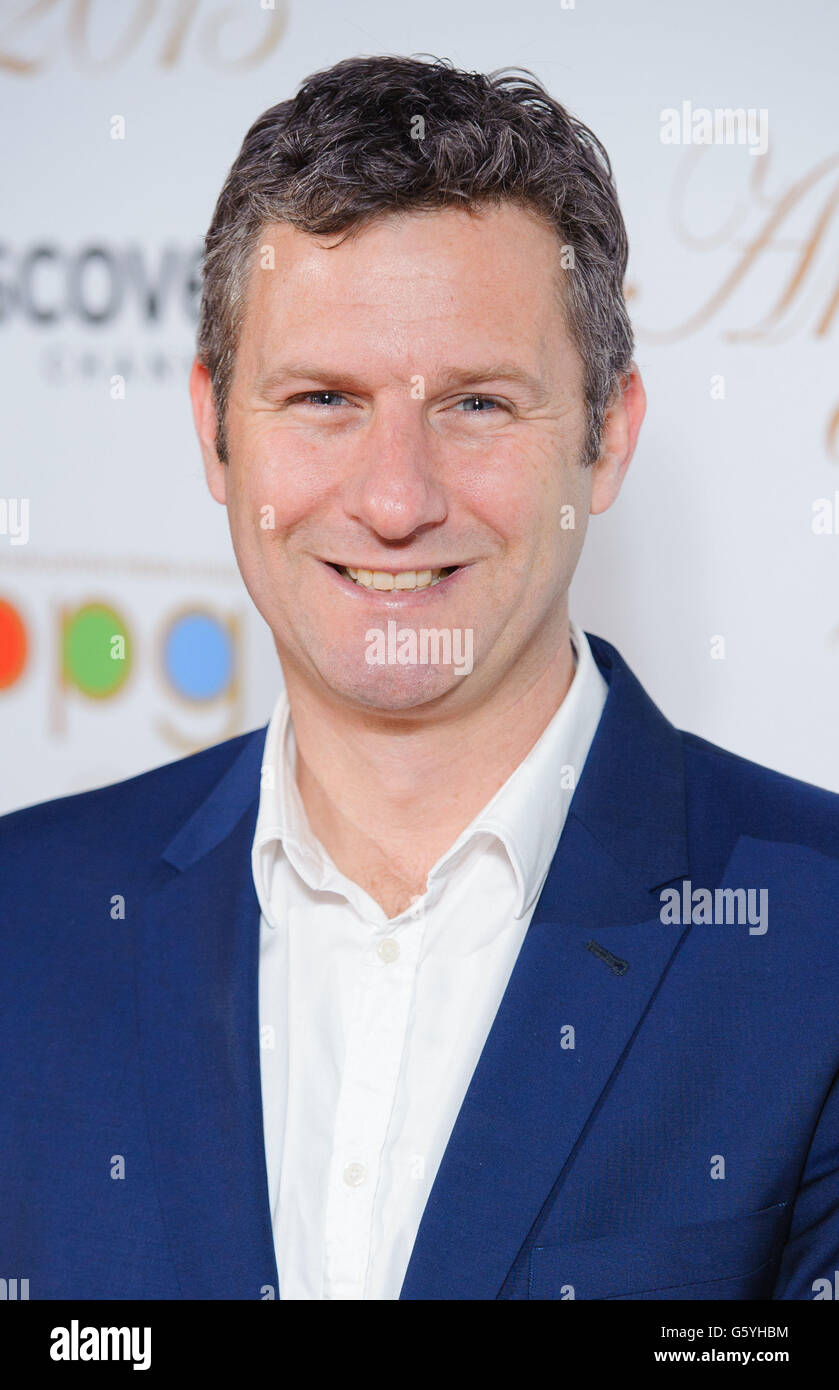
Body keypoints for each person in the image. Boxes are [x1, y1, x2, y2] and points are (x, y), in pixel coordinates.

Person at [2, 54, 838, 1302]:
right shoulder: (27, 919)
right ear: (213, 429)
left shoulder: (811, 940)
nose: (395, 498)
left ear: (606, 434)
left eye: (477, 404)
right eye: (323, 396)